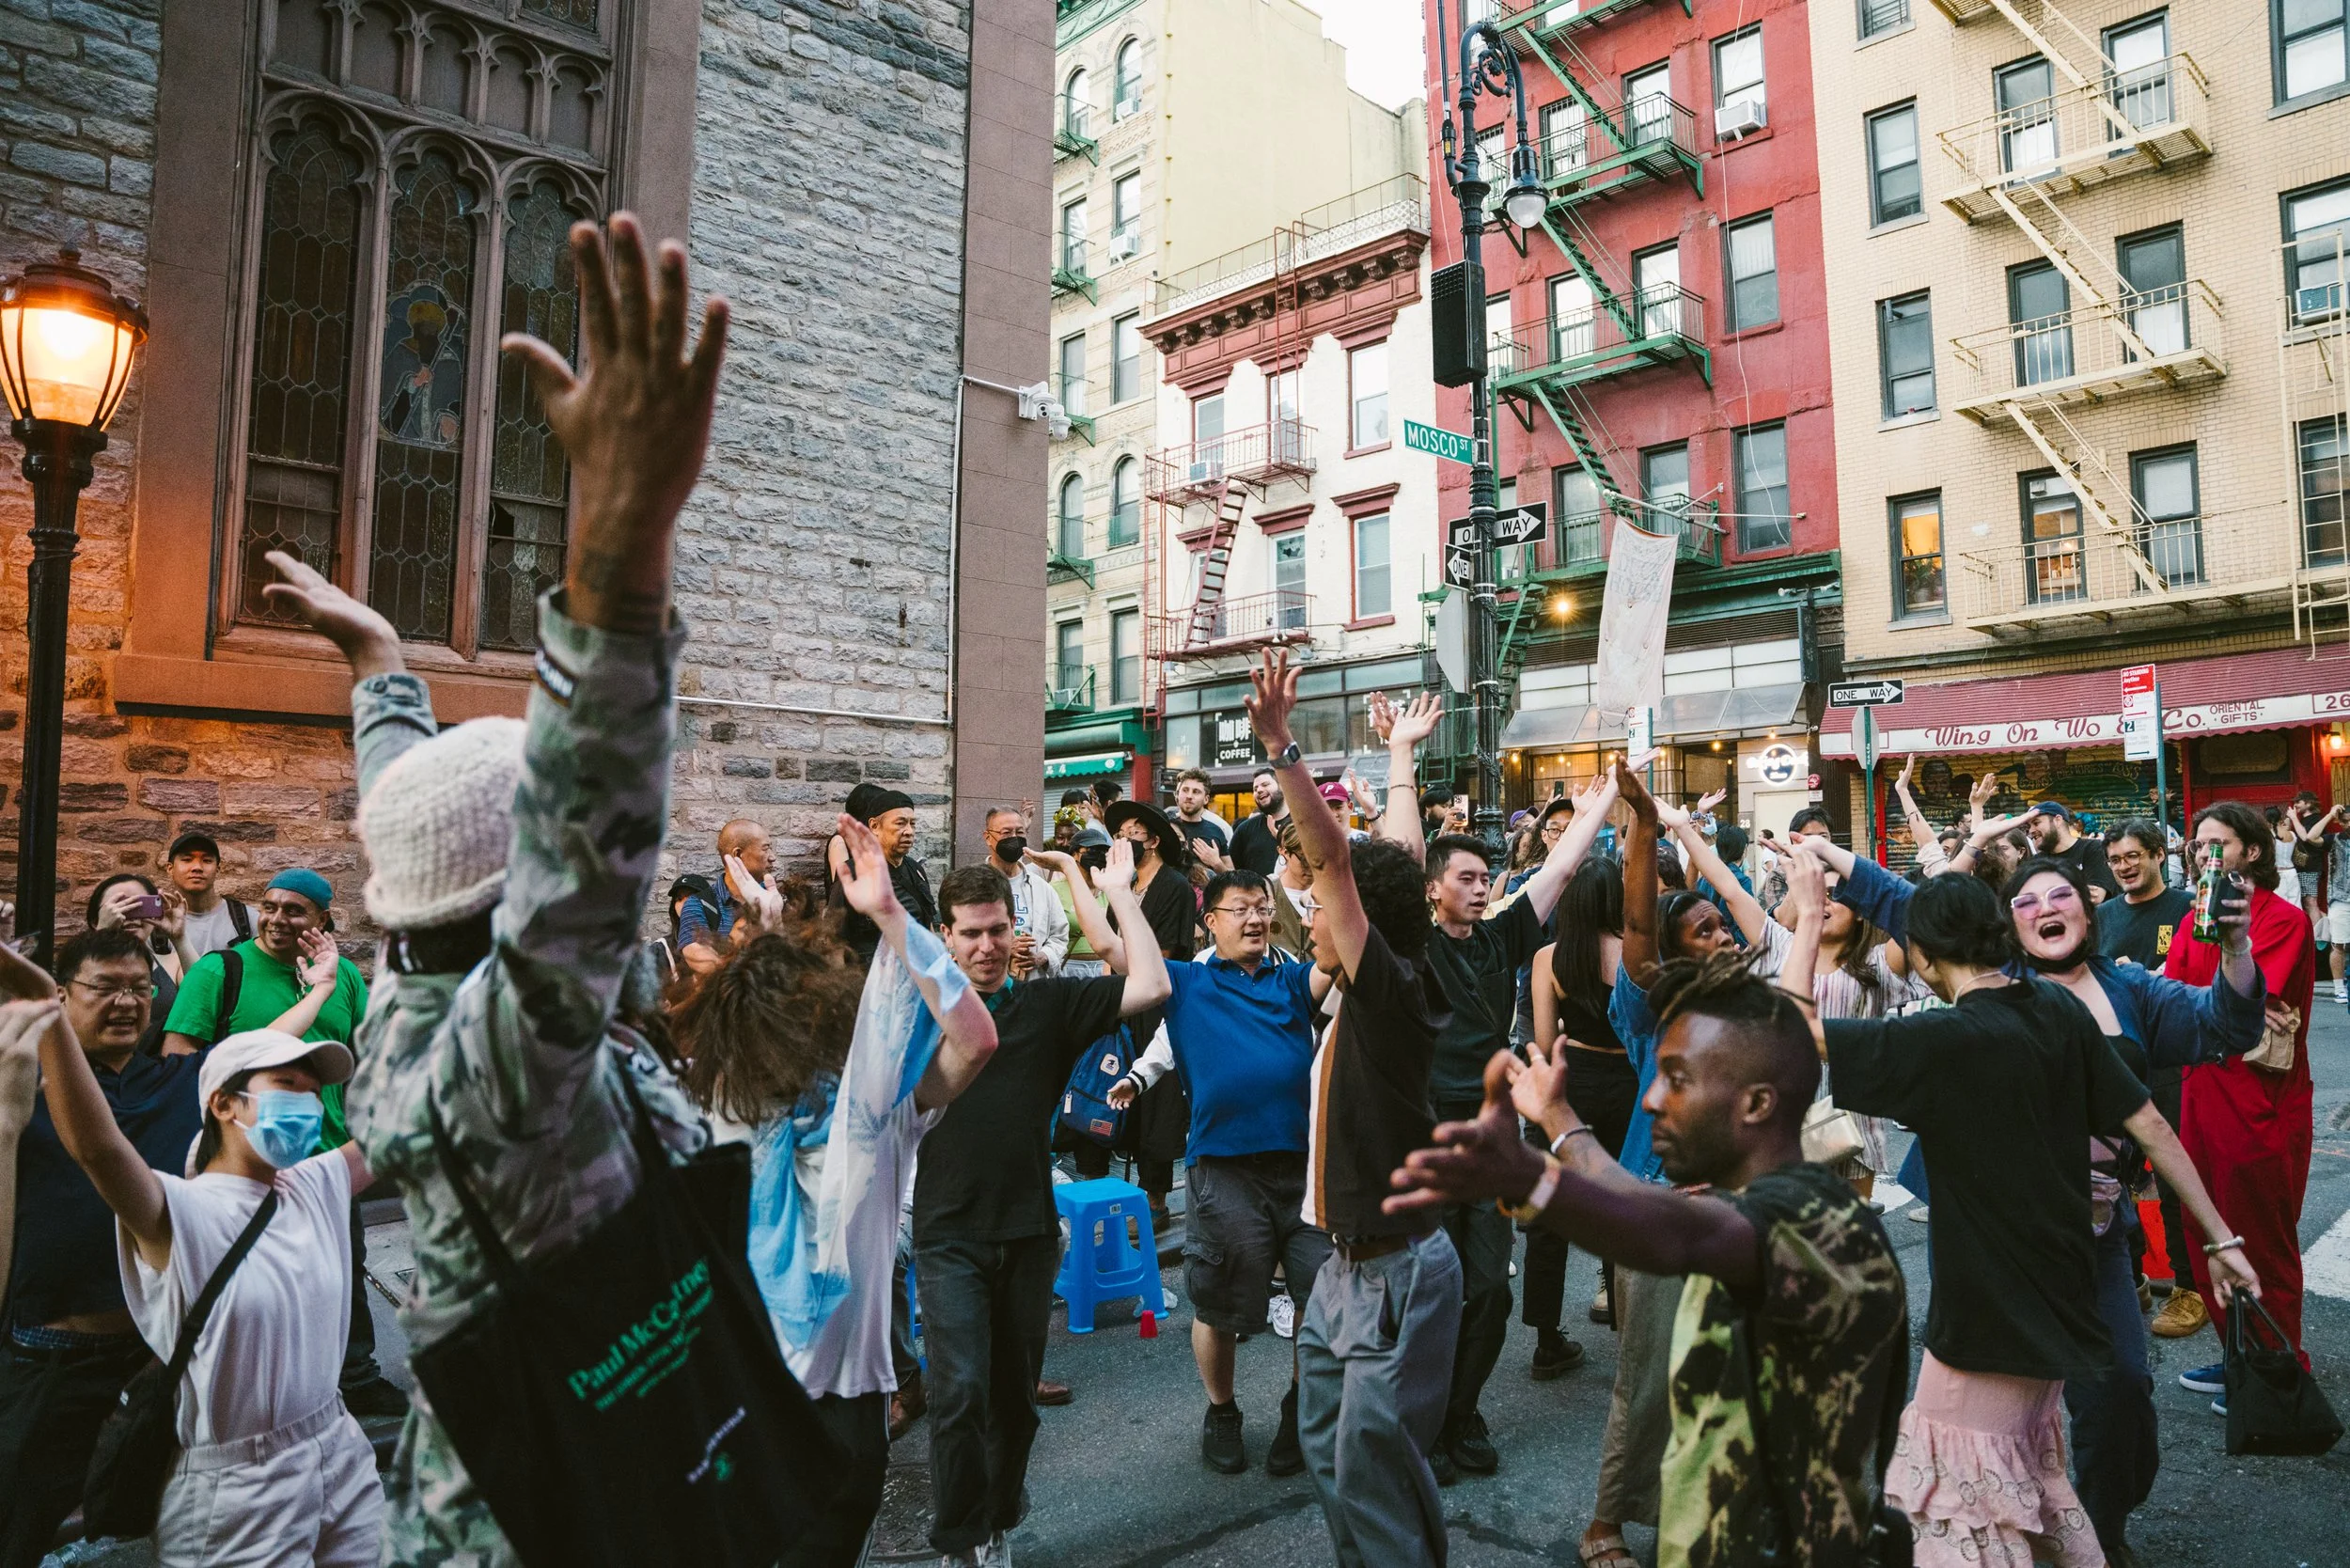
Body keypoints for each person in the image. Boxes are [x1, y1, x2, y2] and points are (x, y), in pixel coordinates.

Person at [258, 212, 741, 1560]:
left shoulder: (424, 1000)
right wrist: (621, 557)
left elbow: (428, 824)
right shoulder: (502, 1064)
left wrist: (379, 668)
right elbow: (580, 858)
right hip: (566, 1517)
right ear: (512, 911)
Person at [1813, 831, 2267, 1563]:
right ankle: (2031, 1533)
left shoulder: (2127, 991)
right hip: (1992, 1247)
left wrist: (2238, 950)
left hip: (2092, 1230)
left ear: (2089, 914)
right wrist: (1832, 859)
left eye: (2062, 895)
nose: (2046, 907)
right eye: (2026, 899)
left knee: (2115, 1395)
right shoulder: (2000, 1002)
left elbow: (2220, 1034)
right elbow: (1915, 909)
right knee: (1999, 1428)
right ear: (2006, 927)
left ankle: (2097, 1526)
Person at [1386, 951, 1911, 1568]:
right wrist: (1559, 1122)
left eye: (1679, 1079)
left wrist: (1530, 1177)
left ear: (1756, 1104)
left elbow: (1674, 1235)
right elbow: (1643, 1202)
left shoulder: (1814, 1228)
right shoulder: (1746, 1198)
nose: (1650, 1100)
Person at [672, 814, 998, 1565]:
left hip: (744, 1407)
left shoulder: (713, 1110)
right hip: (808, 1415)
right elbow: (976, 1039)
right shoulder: (868, 1108)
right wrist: (888, 915)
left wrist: (765, 942)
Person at [14, 954, 384, 1568]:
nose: (309, 1104)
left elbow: (401, 1119)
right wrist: (48, 1016)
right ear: (223, 1105)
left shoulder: (316, 1183)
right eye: (286, 1086)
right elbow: (100, 1149)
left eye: (314, 1090)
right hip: (239, 1489)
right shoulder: (181, 1211)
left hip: (341, 1453)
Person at [1239, 647, 1459, 1568]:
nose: (1309, 912)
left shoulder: (1391, 995)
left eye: (1326, 906)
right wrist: (1400, 758)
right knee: (1336, 1463)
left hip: (1394, 1273)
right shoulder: (1369, 986)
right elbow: (1393, 860)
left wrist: (1285, 748)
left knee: (1373, 1479)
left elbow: (1336, 862)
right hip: (1344, 1268)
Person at [914, 849, 1169, 1566]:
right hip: (946, 1229)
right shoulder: (918, 1014)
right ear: (945, 935)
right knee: (958, 1395)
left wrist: (1116, 891)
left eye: (996, 930)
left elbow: (1149, 983)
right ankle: (959, 1543)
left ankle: (996, 1523)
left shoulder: (1046, 1005)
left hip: (1028, 1230)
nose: (986, 946)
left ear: (1014, 928)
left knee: (1013, 1401)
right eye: (969, 933)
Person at [1102, 867, 1335, 1477]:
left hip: (1306, 1167)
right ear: (1211, 921)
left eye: (1263, 907)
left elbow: (1338, 959)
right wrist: (1116, 890)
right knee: (1220, 1304)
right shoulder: (1187, 982)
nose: (1256, 918)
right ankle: (1222, 1409)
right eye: (1240, 909)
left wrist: (1325, 879)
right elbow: (1116, 952)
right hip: (1224, 1168)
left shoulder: (1292, 979)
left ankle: (1300, 1408)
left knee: (1320, 1297)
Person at [1418, 768, 1617, 1482]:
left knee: (1490, 1290)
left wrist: (1599, 803)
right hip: (1428, 1137)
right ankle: (1428, 1422)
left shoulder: (1500, 937)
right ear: (1434, 887)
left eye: (1484, 876)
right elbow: (1401, 854)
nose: (1479, 886)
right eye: (1465, 878)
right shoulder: (1415, 942)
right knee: (1430, 1290)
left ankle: (1461, 1412)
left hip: (1491, 1137)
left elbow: (1562, 869)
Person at [0, 929, 205, 1568]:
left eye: (140, 988)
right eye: (106, 987)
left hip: (156, 1358)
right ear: (59, 996)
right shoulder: (20, 1080)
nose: (126, 1001)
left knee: (170, 1523)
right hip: (52, 1355)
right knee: (16, 1525)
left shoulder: (188, 1083)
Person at [2166, 799, 2318, 1395]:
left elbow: (2242, 1002)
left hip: (2259, 1101)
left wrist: (2197, 996)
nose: (2204, 855)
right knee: (2207, 1229)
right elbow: (2174, 995)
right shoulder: (2191, 917)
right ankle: (2239, 1355)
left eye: (2217, 845)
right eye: (2199, 846)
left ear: (2251, 852)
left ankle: (2279, 1368)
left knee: (2261, 1236)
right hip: (2199, 1091)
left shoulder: (2280, 918)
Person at [1525, 856, 1634, 1357]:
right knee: (1623, 1205)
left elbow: (1545, 1040)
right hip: (1630, 1083)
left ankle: (1547, 1338)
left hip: (1575, 1086)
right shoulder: (1636, 952)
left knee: (1553, 1212)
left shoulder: (1550, 958)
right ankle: (1628, 1325)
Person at [1101, 796, 1199, 1223]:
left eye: (1132, 834)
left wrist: (1124, 966)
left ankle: (1155, 1198)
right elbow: (1109, 937)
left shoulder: (1174, 887)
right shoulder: (1122, 886)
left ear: (1153, 841)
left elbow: (1162, 953)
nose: (1123, 840)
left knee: (1157, 1094)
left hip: (1160, 1000)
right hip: (1123, 997)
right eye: (1119, 834)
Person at [86, 873, 196, 1058]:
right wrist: (103, 934)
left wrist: (180, 938)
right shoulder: (82, 962)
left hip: (158, 1071)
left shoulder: (172, 963)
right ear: (95, 919)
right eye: (121, 907)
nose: (131, 916)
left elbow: (206, 998)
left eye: (140, 906)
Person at [831, 787, 939, 967]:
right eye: (900, 823)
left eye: (913, 824)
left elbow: (927, 927)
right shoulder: (853, 872)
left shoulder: (916, 870)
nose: (909, 831)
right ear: (875, 826)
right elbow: (834, 940)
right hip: (868, 980)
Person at [982, 805, 1068, 979]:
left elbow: (1059, 936)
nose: (1014, 838)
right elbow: (961, 938)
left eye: (1020, 833)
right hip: (989, 987)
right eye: (1006, 833)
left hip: (1034, 987)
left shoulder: (1042, 888)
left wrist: (1042, 957)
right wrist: (1003, 947)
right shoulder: (972, 885)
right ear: (988, 838)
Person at [678, 818, 770, 975]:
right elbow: (695, 953)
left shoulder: (774, 897)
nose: (772, 856)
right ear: (738, 854)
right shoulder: (699, 904)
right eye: (765, 849)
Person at [164, 831, 254, 962]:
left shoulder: (247, 920)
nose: (197, 867)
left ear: (217, 869)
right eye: (187, 860)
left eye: (207, 861)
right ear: (170, 868)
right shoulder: (157, 927)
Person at [2027, 801, 2121, 902]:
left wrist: (2048, 897)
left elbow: (2095, 897)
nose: (2031, 831)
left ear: (2057, 820)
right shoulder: (2036, 862)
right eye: (2029, 826)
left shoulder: (2092, 848)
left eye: (2036, 823)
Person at [1228, 766, 1287, 876]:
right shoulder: (1245, 829)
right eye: (1255, 789)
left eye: (1265, 785)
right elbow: (1233, 871)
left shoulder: (1301, 823)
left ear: (1281, 786)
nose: (1259, 790)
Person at [1171, 769, 1233, 872]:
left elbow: (1232, 875)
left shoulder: (1216, 831)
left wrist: (1216, 863)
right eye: (1185, 790)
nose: (1189, 796)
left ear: (1206, 799)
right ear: (1178, 794)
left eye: (1196, 792)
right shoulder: (1167, 827)